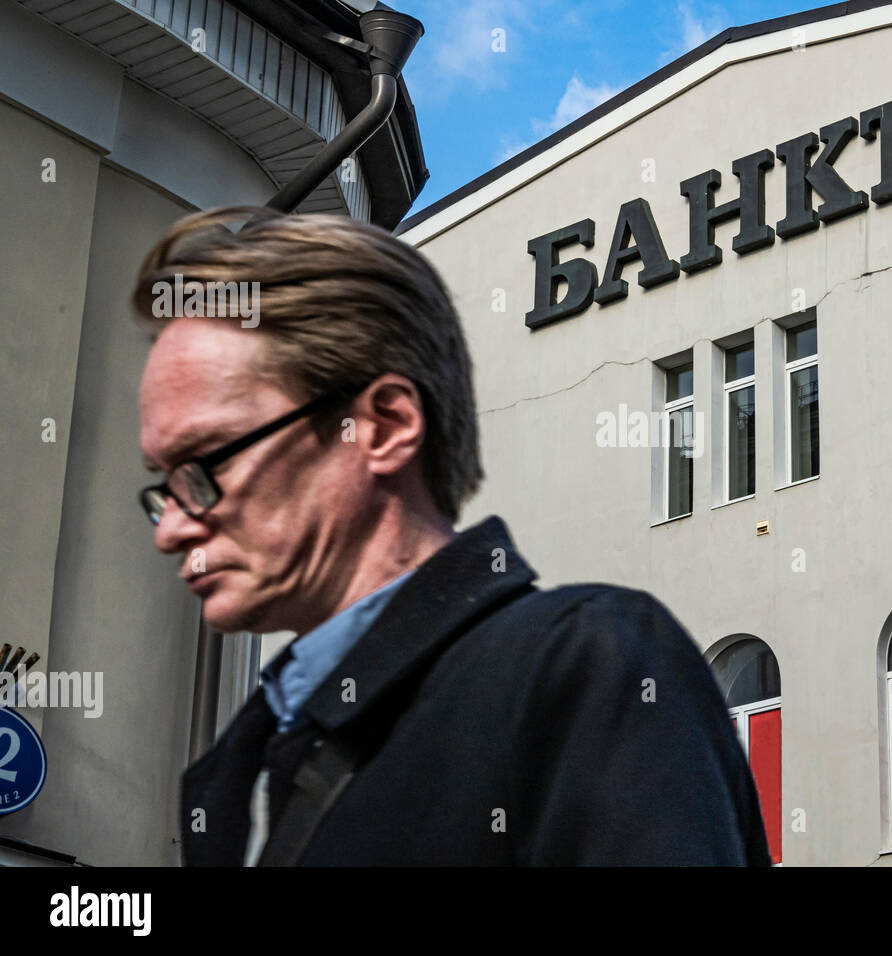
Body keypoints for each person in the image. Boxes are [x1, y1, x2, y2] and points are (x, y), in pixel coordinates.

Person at [132, 206, 771, 866]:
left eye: (205, 465)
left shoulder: (582, 671)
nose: (171, 530)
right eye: (164, 485)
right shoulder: (240, 764)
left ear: (384, 427)